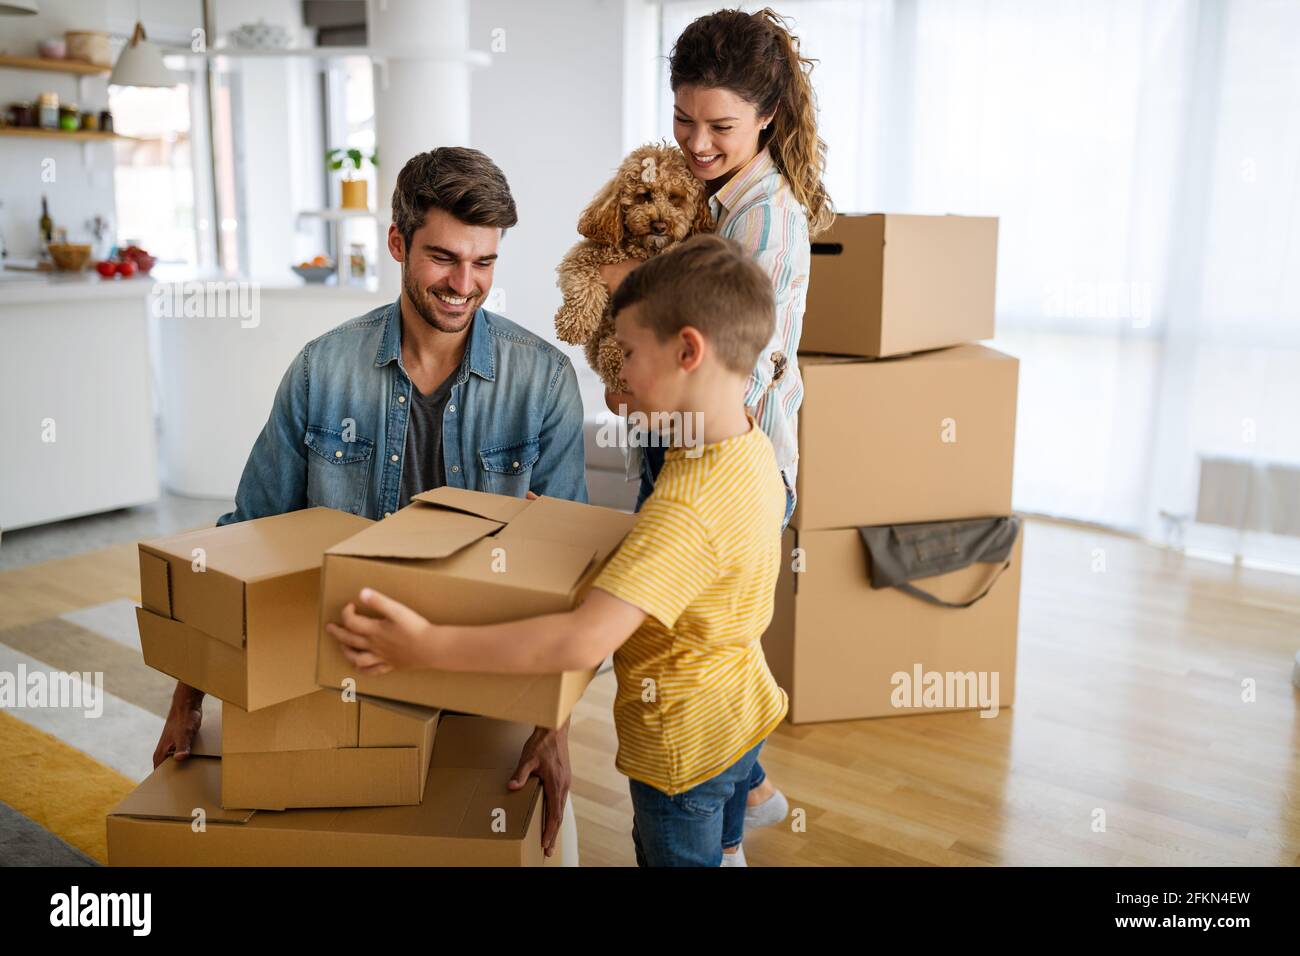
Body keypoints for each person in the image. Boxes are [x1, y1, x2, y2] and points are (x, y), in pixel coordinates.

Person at [150, 146, 587, 860]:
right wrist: (188, 697)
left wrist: (554, 726)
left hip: (483, 673)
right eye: (443, 258)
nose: (464, 284)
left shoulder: (541, 380)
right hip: (338, 665)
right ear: (396, 243)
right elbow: (245, 538)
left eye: (484, 263)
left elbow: (570, 575)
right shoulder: (323, 370)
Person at [327, 234, 789, 867]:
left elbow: (578, 642)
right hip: (742, 717)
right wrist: (571, 528)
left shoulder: (688, 506)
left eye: (627, 352)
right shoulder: (743, 448)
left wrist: (423, 646)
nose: (619, 372)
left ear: (687, 350)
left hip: (682, 752)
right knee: (723, 844)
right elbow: (698, 558)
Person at [600, 6, 834, 865]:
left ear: (766, 116)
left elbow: (734, 364)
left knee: (701, 654)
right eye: (683, 119)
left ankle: (725, 823)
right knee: (714, 648)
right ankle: (743, 810)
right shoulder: (720, 196)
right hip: (696, 445)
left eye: (720, 126)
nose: (696, 142)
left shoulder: (763, 221)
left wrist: (646, 393)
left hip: (730, 463)